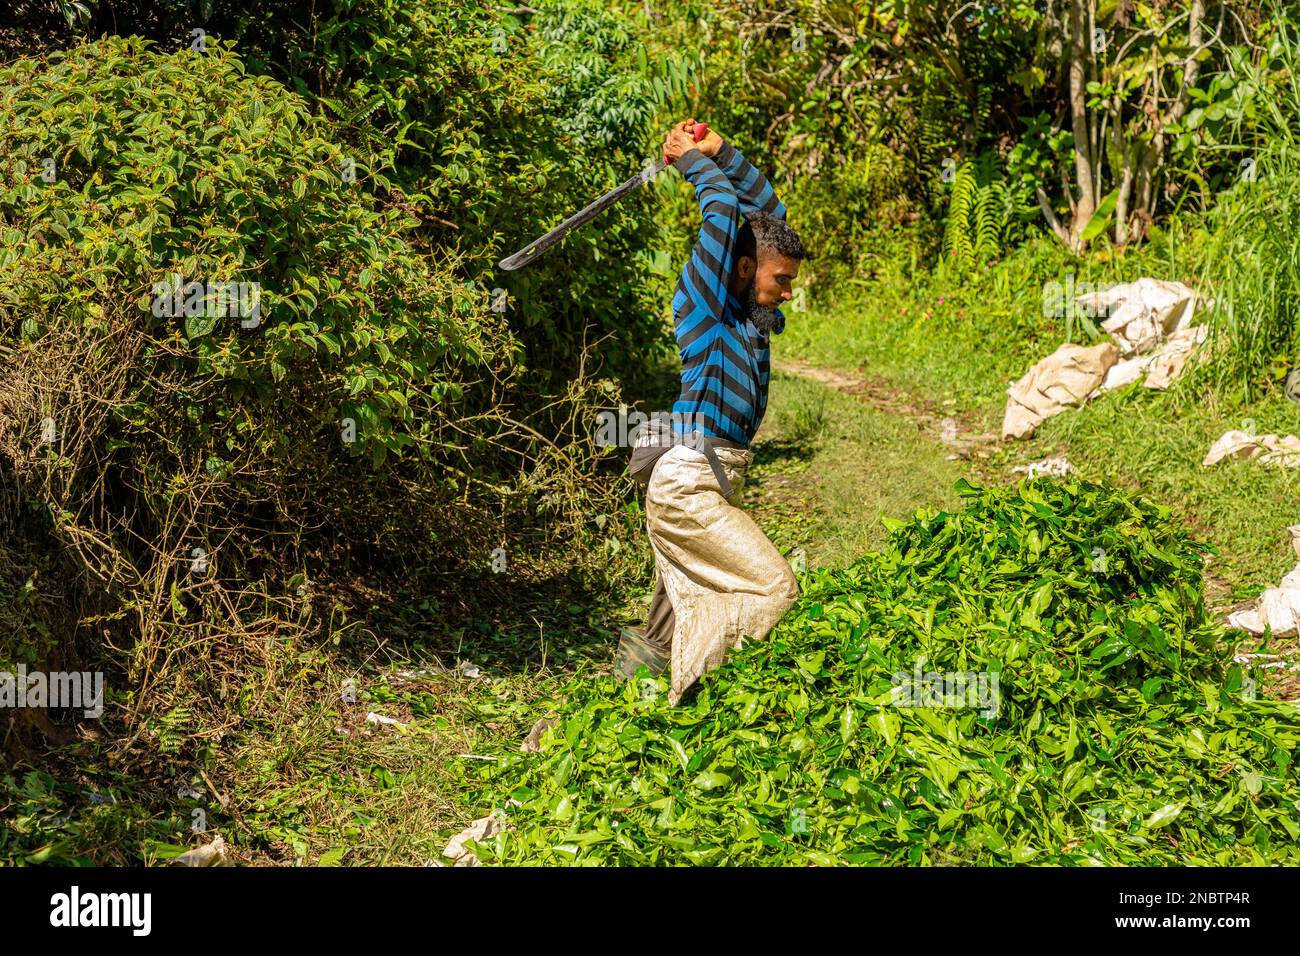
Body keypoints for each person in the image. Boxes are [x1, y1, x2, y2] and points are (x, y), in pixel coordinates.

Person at [615, 119, 807, 706]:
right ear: (745, 271)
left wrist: (719, 148)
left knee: (671, 619)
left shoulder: (753, 317)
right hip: (687, 486)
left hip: (713, 482)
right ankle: (691, 701)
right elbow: (725, 216)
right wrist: (688, 162)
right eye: (782, 280)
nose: (789, 291)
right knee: (774, 587)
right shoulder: (704, 303)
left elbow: (766, 219)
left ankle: (631, 695)